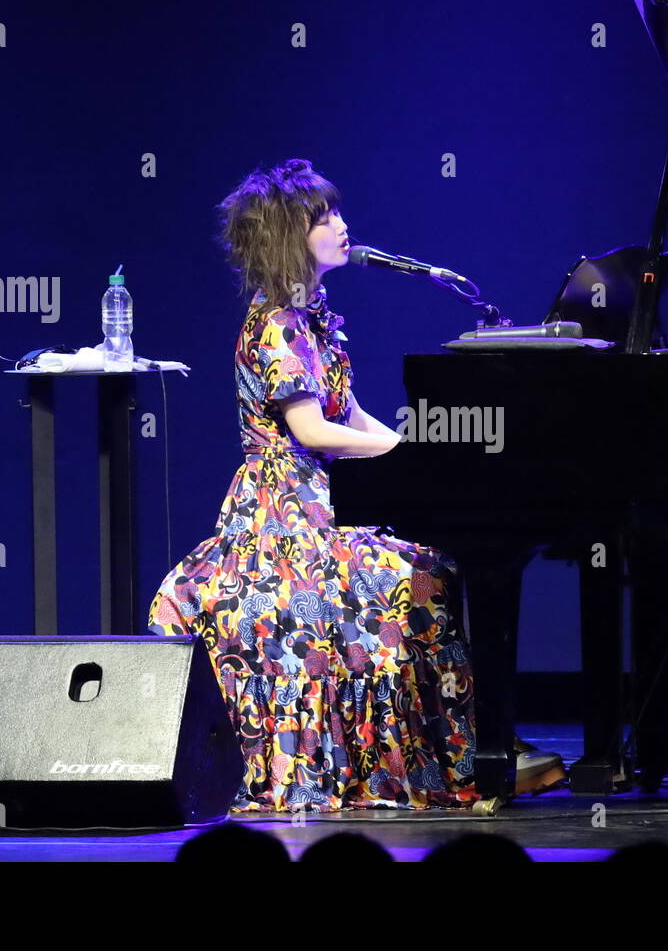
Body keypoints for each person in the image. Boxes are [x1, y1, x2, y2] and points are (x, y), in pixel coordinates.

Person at [147, 158, 565, 812]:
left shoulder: (309, 318)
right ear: (290, 234)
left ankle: (471, 746)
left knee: (434, 567)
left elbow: (352, 416)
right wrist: (406, 451)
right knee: (418, 577)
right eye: (324, 217)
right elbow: (312, 430)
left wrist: (413, 448)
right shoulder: (279, 326)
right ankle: (461, 754)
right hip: (284, 515)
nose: (342, 226)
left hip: (325, 499)